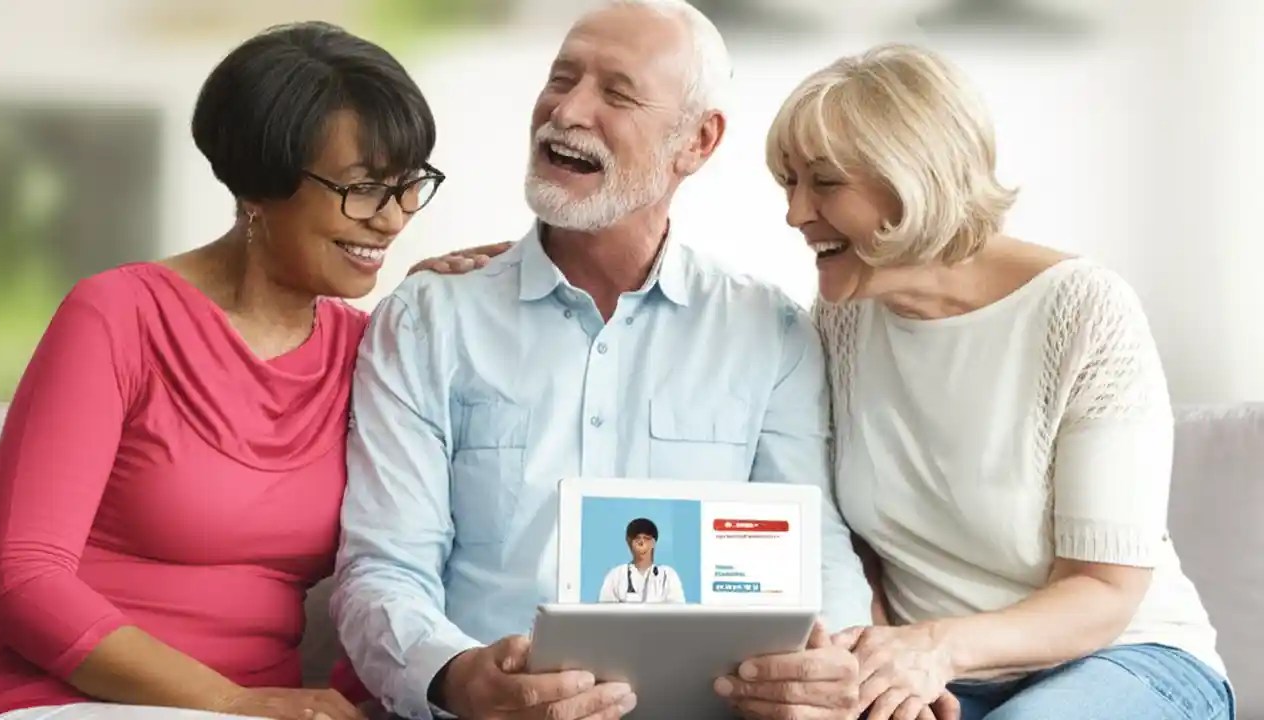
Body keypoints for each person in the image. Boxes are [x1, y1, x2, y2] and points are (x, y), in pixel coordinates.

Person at [330, 2, 873, 720]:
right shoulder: (430, 318)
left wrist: (827, 671)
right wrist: (457, 676)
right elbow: (382, 569)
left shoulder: (769, 333)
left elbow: (816, 558)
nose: (567, 109)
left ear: (698, 142)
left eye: (616, 93)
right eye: (561, 77)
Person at [760, 44, 1235, 720]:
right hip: (939, 677)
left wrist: (932, 649)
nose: (795, 213)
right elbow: (854, 544)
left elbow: (1103, 589)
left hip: (1127, 659)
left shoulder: (1083, 311)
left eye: (824, 182)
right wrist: (874, 673)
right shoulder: (839, 323)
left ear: (913, 178)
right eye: (788, 183)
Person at [0, 22, 443, 720]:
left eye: (408, 186)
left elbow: (398, 566)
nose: (392, 219)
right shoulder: (118, 316)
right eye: (363, 189)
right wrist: (234, 702)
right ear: (259, 185)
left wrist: (467, 299)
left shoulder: (372, 354)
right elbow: (23, 581)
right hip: (74, 698)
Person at [598, 518, 685, 604]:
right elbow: (605, 612)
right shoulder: (616, 576)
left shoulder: (668, 575)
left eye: (646, 538)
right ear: (629, 542)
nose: (641, 542)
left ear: (653, 543)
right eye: (637, 538)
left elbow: (678, 612)